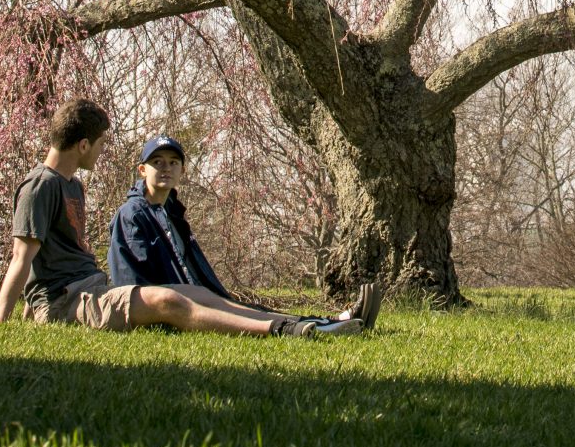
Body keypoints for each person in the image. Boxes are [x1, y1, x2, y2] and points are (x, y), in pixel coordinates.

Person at [0, 99, 369, 337]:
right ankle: (287, 330)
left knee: (199, 293)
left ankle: (308, 322)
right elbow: (22, 258)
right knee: (168, 299)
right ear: (84, 144)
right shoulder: (40, 186)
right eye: (101, 144)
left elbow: (54, 256)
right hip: (67, 302)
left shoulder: (71, 185)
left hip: (91, 288)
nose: (102, 152)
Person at [112, 133, 382, 333]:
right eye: (157, 162)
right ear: (142, 169)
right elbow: (132, 280)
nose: (166, 168)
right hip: (176, 306)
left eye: (173, 162)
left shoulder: (171, 211)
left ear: (182, 170)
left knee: (251, 310)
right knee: (247, 315)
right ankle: (321, 326)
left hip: (198, 295)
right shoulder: (133, 214)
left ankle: (334, 321)